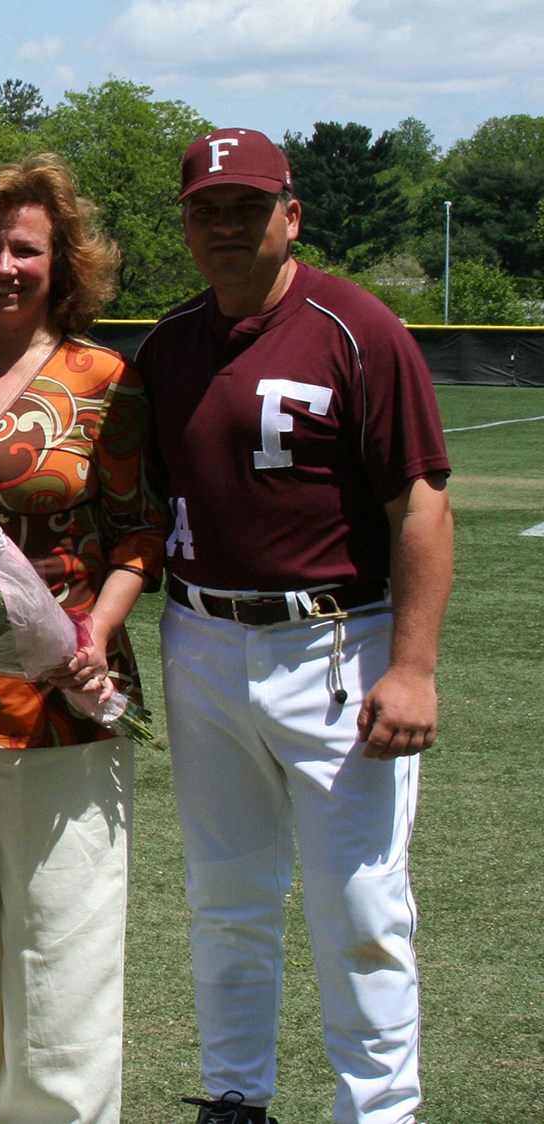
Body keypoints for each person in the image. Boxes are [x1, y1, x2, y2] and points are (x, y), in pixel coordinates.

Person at [137, 128, 452, 1124]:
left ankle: (377, 1107)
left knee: (358, 900)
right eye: (205, 208)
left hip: (335, 643)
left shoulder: (356, 328)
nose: (223, 224)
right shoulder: (170, 342)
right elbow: (141, 506)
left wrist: (411, 665)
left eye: (244, 206)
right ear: (185, 222)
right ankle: (234, 1092)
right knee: (224, 892)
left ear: (290, 216)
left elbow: (420, 505)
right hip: (200, 637)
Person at [0, 155, 165, 1124]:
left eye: (23, 248)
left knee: (65, 926)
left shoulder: (103, 379)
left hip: (66, 684)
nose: (2, 265)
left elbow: (137, 532)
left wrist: (95, 626)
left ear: (62, 261)